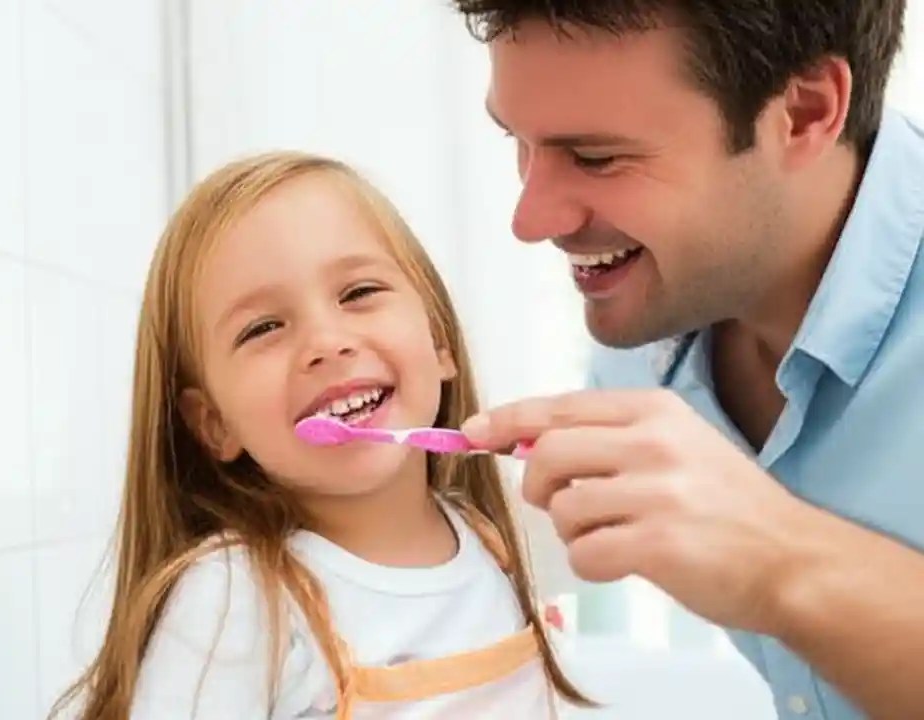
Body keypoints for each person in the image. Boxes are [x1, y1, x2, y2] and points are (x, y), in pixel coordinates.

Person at [449, 2, 924, 719]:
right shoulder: (649, 327)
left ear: (804, 113)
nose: (532, 218)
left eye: (596, 158)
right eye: (517, 141)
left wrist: (785, 566)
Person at [48, 151, 591, 719]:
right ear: (214, 423)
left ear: (438, 344)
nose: (327, 342)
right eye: (263, 328)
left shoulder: (489, 544)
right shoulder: (237, 599)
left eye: (359, 293)